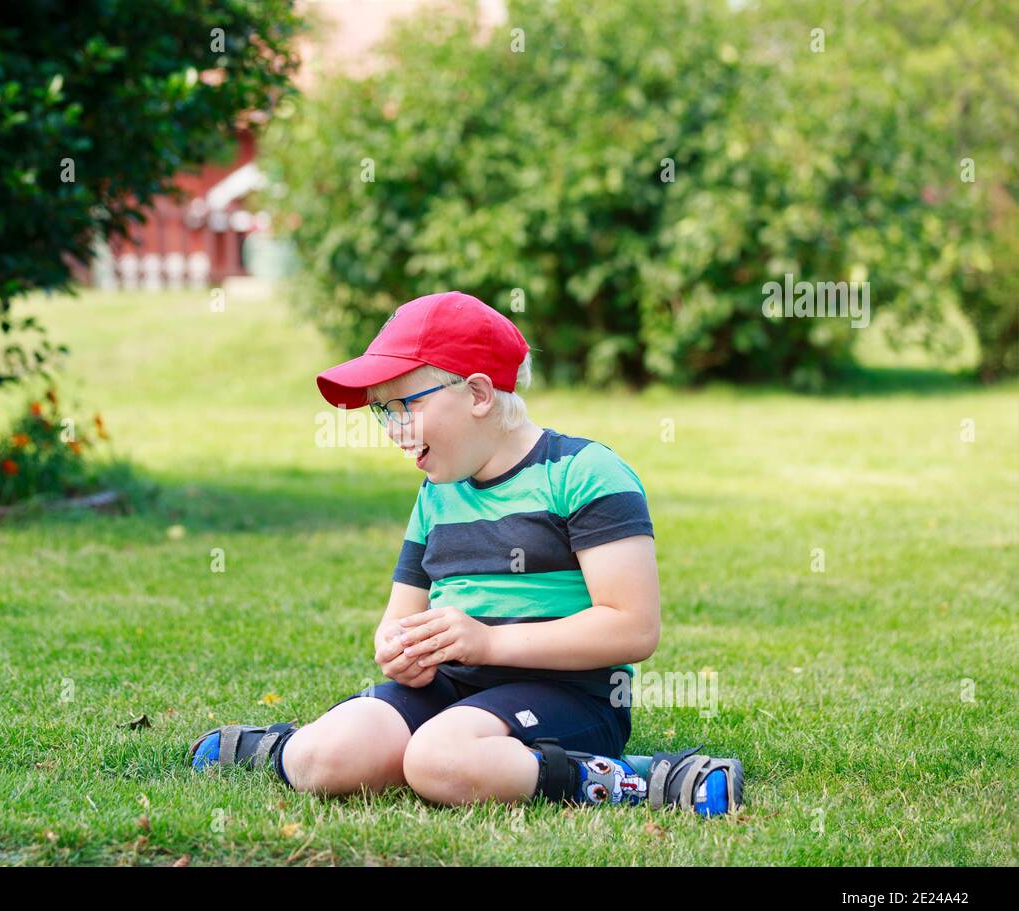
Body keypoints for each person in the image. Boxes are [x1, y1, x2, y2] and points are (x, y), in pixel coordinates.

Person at [189, 291, 741, 815]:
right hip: (452, 687)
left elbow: (633, 629)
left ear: (477, 394)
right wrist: (399, 649)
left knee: (440, 762)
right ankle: (284, 746)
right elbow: (396, 625)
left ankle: (638, 780)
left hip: (567, 692)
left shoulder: (585, 473)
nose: (393, 431)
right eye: (383, 413)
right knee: (329, 758)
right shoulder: (437, 494)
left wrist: (489, 640)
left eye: (404, 406)